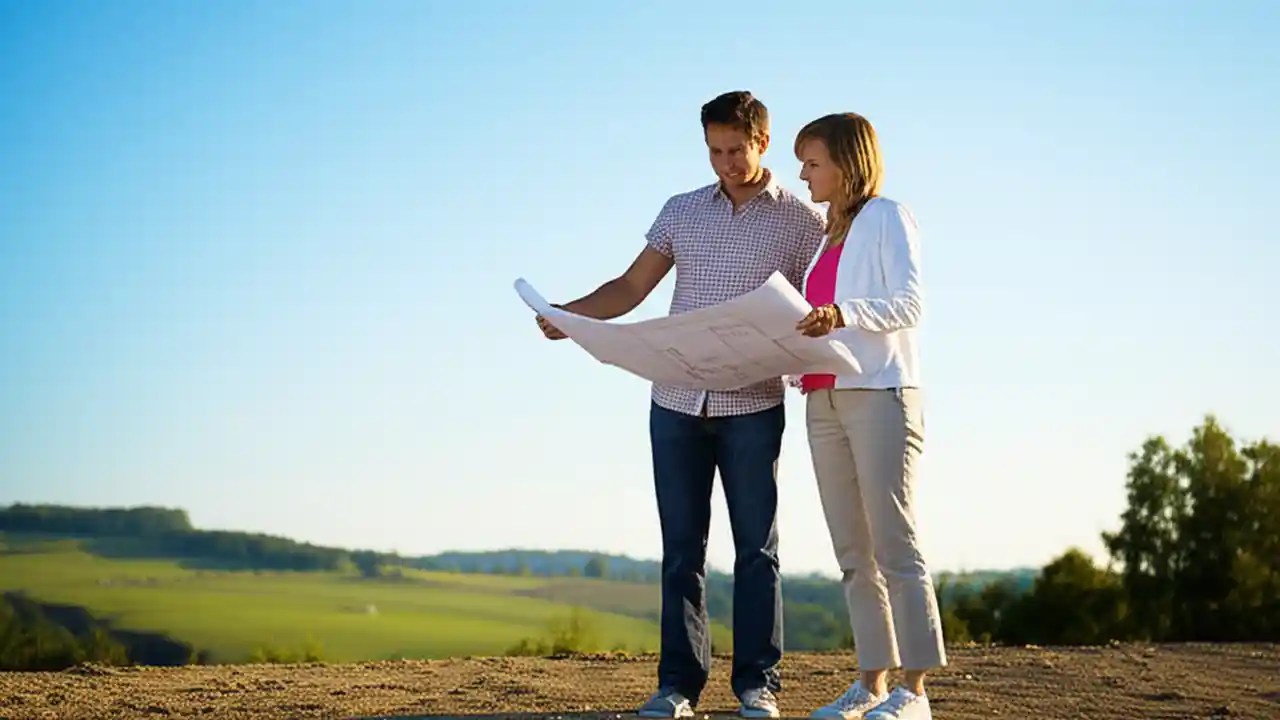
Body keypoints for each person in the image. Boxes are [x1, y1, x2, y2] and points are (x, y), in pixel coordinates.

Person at [536, 91, 825, 719]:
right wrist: (570, 315)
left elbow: (817, 309)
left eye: (735, 150)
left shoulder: (803, 222)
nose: (724, 162)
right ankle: (677, 685)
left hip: (751, 403)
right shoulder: (681, 211)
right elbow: (631, 286)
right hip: (674, 401)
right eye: (714, 151)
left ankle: (758, 685)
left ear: (763, 143)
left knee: (757, 548)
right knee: (680, 550)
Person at [790, 113, 946, 720]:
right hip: (821, 397)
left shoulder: (886, 216)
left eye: (813, 163)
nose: (803, 174)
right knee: (853, 553)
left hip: (880, 394)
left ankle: (915, 692)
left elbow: (909, 302)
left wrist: (839, 313)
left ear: (847, 164)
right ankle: (871, 684)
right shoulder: (827, 235)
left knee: (893, 545)